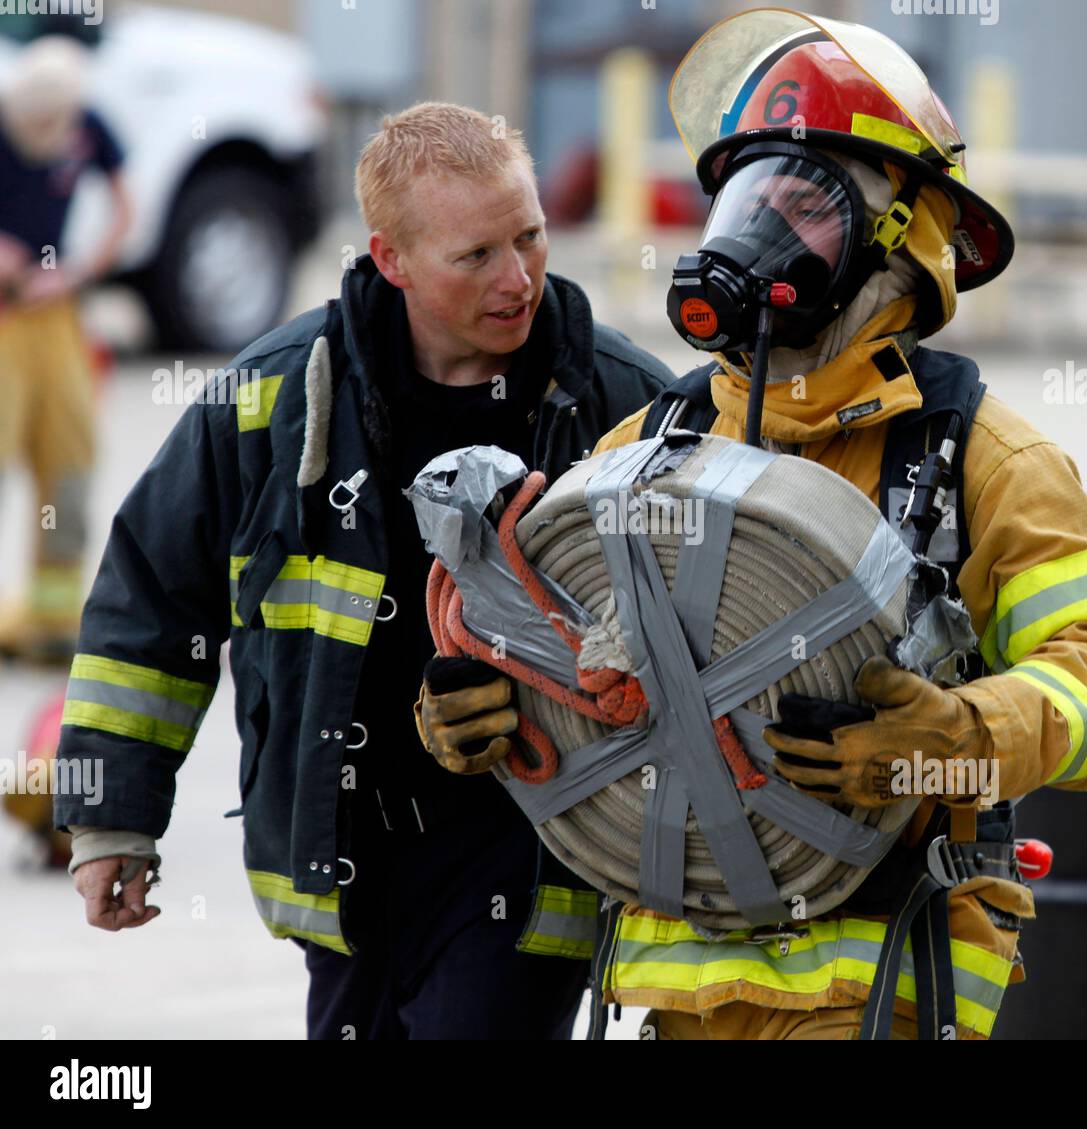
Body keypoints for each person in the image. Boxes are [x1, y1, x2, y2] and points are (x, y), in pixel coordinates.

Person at [583, 12, 1087, 1040]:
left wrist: (960, 742)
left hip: (887, 970)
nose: (757, 232)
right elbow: (555, 635)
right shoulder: (649, 438)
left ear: (898, 244)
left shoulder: (984, 458)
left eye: (806, 205)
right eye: (748, 197)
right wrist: (476, 699)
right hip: (683, 982)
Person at [54, 101, 673, 1039]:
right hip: (342, 858)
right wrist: (113, 819)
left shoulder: (624, 407)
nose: (518, 278)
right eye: (475, 256)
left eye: (530, 236)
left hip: (531, 857)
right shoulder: (268, 404)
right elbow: (148, 605)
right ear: (391, 260)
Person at [0, 35, 131, 663]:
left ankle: (52, 621)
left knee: (69, 462)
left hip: (55, 317)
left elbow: (123, 209)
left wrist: (73, 273)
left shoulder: (88, 125)